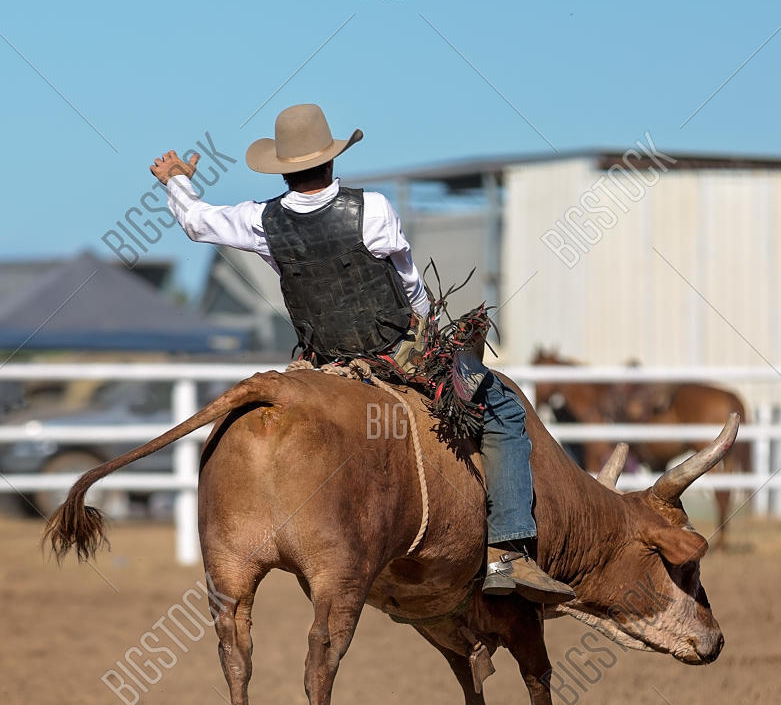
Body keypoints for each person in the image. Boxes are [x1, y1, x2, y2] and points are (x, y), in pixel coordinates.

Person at [152, 103, 573, 604]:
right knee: (500, 407)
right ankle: (507, 553)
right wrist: (430, 328)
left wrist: (177, 180)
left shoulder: (260, 220)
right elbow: (410, 285)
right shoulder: (372, 209)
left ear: (284, 169)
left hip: (320, 360)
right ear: (331, 161)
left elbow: (197, 223)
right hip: (394, 352)